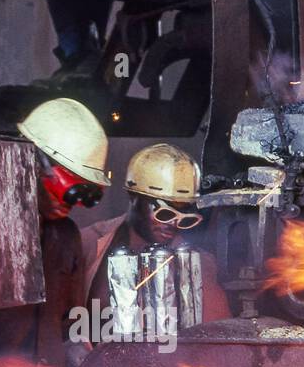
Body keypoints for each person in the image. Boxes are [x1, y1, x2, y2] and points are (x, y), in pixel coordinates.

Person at [0, 97, 110, 367]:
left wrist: (88, 363)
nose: (73, 203)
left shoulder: (66, 237)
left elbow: (70, 325)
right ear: (32, 161)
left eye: (85, 194)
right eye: (69, 189)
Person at [79, 142, 230, 332]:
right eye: (164, 213)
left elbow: (214, 334)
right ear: (133, 196)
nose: (173, 223)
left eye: (182, 215)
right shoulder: (89, 244)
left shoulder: (197, 264)